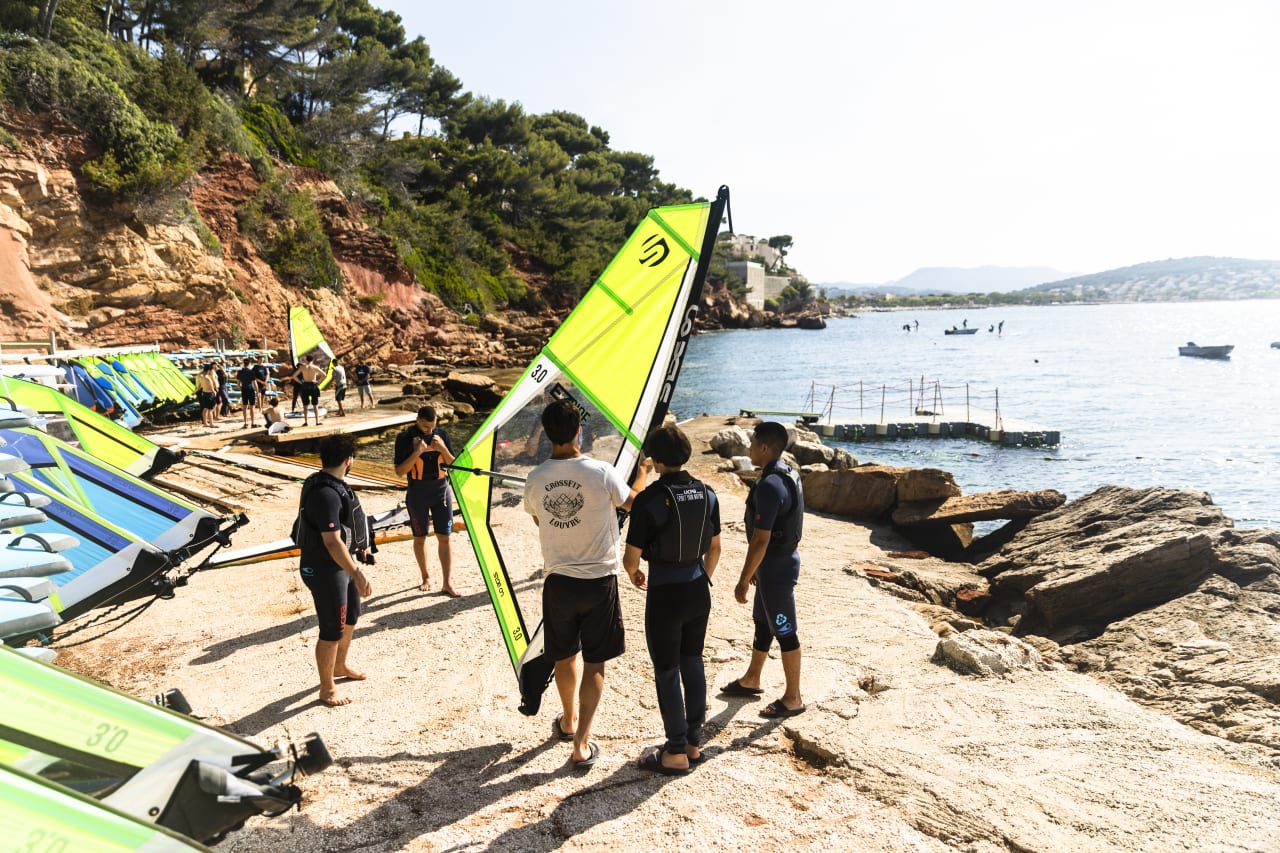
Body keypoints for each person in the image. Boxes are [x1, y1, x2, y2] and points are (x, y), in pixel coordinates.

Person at [523, 399, 648, 770]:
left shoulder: (535, 478)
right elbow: (634, 504)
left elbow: (539, 519)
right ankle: (581, 744)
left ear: (547, 434)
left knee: (564, 656)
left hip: (558, 582)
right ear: (579, 431)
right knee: (595, 662)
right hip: (599, 582)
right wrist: (642, 473)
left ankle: (568, 720)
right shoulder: (602, 471)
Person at [623, 424, 721, 775]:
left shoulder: (648, 499)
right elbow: (715, 547)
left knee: (667, 671)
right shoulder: (708, 493)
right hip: (698, 588)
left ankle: (675, 751)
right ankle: (693, 742)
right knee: (693, 661)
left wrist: (635, 574)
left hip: (665, 592)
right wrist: (703, 576)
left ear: (655, 459)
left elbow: (631, 559)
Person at [722, 421, 806, 718]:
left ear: (765, 447)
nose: (749, 448)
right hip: (772, 566)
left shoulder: (771, 485)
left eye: (752, 443)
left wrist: (743, 579)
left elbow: (761, 539)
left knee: (785, 630)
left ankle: (793, 698)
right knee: (762, 621)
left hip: (777, 569)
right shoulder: (787, 472)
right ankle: (752, 678)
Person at [294, 434, 373, 707]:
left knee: (351, 616)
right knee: (332, 629)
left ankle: (340, 666)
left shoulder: (331, 484)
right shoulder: (325, 494)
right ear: (349, 460)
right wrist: (357, 572)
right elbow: (331, 541)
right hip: (324, 569)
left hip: (340, 566)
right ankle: (326, 689)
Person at [393, 406, 458, 596]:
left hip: (441, 492)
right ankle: (426, 577)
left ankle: (447, 583)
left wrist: (443, 448)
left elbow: (454, 466)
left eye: (432, 426)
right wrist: (417, 452)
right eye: (425, 426)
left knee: (444, 537)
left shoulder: (442, 435)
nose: (429, 430)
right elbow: (399, 472)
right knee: (420, 537)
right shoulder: (405, 438)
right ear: (417, 420)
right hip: (417, 493)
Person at [291, 356, 326, 426]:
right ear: (312, 360)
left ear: (306, 360)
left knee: (305, 405)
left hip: (305, 385)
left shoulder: (303, 368)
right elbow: (324, 375)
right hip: (313, 385)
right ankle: (317, 422)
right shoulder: (315, 367)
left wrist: (301, 382)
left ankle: (306, 422)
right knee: (315, 405)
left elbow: (294, 376)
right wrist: (318, 381)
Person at [236, 359, 259, 429]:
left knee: (244, 407)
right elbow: (255, 383)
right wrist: (257, 391)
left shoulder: (240, 372)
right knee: (252, 407)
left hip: (244, 389)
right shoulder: (251, 371)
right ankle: (253, 423)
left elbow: (238, 383)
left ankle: (245, 423)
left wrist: (241, 388)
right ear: (249, 364)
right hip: (250, 389)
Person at [195, 363, 218, 428]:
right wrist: (214, 392)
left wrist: (195, 391)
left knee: (205, 409)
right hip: (209, 393)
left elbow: (199, 386)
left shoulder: (201, 377)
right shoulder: (207, 378)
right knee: (211, 409)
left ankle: (205, 423)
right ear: (209, 370)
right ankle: (211, 424)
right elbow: (211, 386)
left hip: (204, 393)